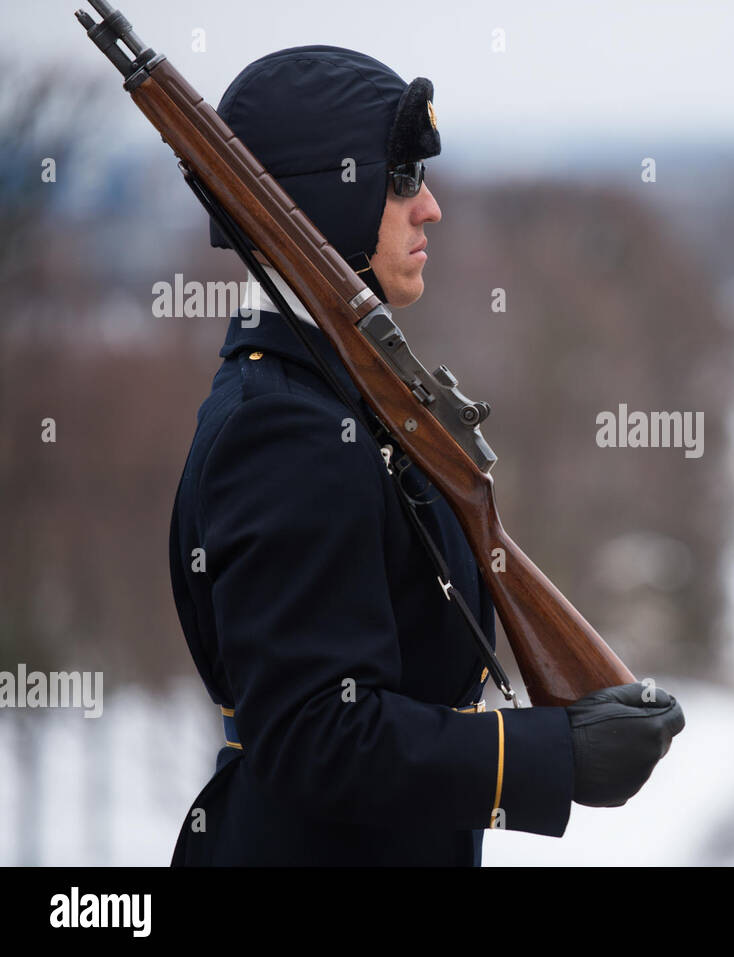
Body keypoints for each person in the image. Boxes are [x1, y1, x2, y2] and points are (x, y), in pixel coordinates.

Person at [167, 46, 684, 866]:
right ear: (329, 197)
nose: (430, 207)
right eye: (402, 177)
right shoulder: (286, 431)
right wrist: (548, 754)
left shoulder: (339, 399)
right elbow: (317, 734)